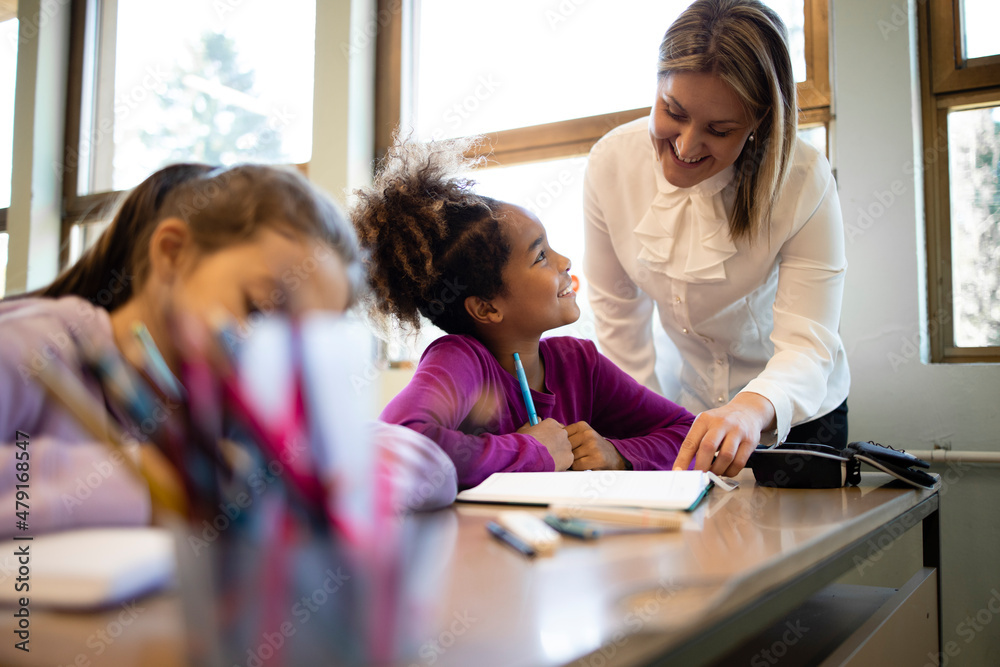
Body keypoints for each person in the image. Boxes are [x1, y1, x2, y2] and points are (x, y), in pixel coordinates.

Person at [0, 163, 456, 536]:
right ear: (173, 254)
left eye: (299, 347)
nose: (271, 356)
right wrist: (166, 478)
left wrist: (322, 468)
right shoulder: (41, 343)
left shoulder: (229, 407)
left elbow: (431, 466)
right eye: (260, 310)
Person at [584, 0, 849, 477]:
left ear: (758, 123)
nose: (685, 146)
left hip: (791, 415)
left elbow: (808, 345)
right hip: (676, 410)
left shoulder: (804, 180)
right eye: (673, 111)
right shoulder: (611, 164)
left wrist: (751, 408)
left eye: (719, 129)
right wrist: (644, 430)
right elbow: (619, 319)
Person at [354, 138, 695, 490]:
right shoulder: (460, 360)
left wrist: (617, 454)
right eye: (541, 257)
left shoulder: (580, 364)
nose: (565, 262)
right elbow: (397, 448)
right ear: (487, 307)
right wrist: (533, 450)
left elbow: (690, 434)